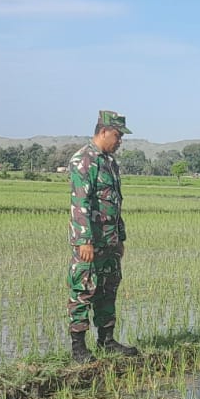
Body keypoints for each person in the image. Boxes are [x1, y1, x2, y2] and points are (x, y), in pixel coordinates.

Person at [68, 110, 140, 362]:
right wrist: (83, 240)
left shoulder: (110, 162)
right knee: (83, 289)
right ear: (103, 132)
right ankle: (78, 348)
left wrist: (120, 237)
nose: (120, 141)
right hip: (91, 241)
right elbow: (80, 203)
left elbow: (115, 204)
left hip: (109, 241)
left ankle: (107, 341)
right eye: (117, 135)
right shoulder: (84, 160)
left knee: (108, 288)